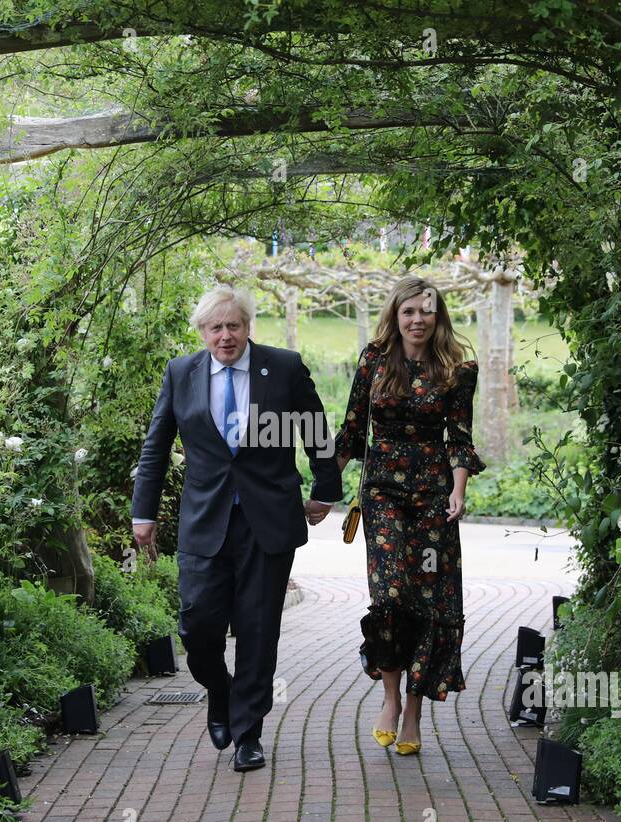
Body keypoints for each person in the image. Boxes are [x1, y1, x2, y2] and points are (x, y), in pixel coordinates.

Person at [131, 285, 343, 772]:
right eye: (215, 327)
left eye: (234, 325)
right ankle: (219, 693)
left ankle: (249, 732)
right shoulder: (181, 373)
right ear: (203, 332)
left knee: (257, 629)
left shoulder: (283, 367)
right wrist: (143, 513)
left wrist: (325, 489)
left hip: (267, 521)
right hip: (204, 522)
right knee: (197, 624)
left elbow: (314, 429)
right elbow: (156, 445)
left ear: (247, 327)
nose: (225, 336)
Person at [333, 276, 486, 756]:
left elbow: (459, 436)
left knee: (429, 601)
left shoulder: (457, 367)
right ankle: (390, 698)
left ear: (438, 317)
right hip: (381, 492)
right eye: (408, 312)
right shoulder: (373, 360)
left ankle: (414, 712)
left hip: (433, 497)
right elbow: (354, 429)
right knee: (389, 596)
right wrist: (322, 491)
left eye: (427, 311)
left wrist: (458, 491)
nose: (417, 320)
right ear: (395, 316)